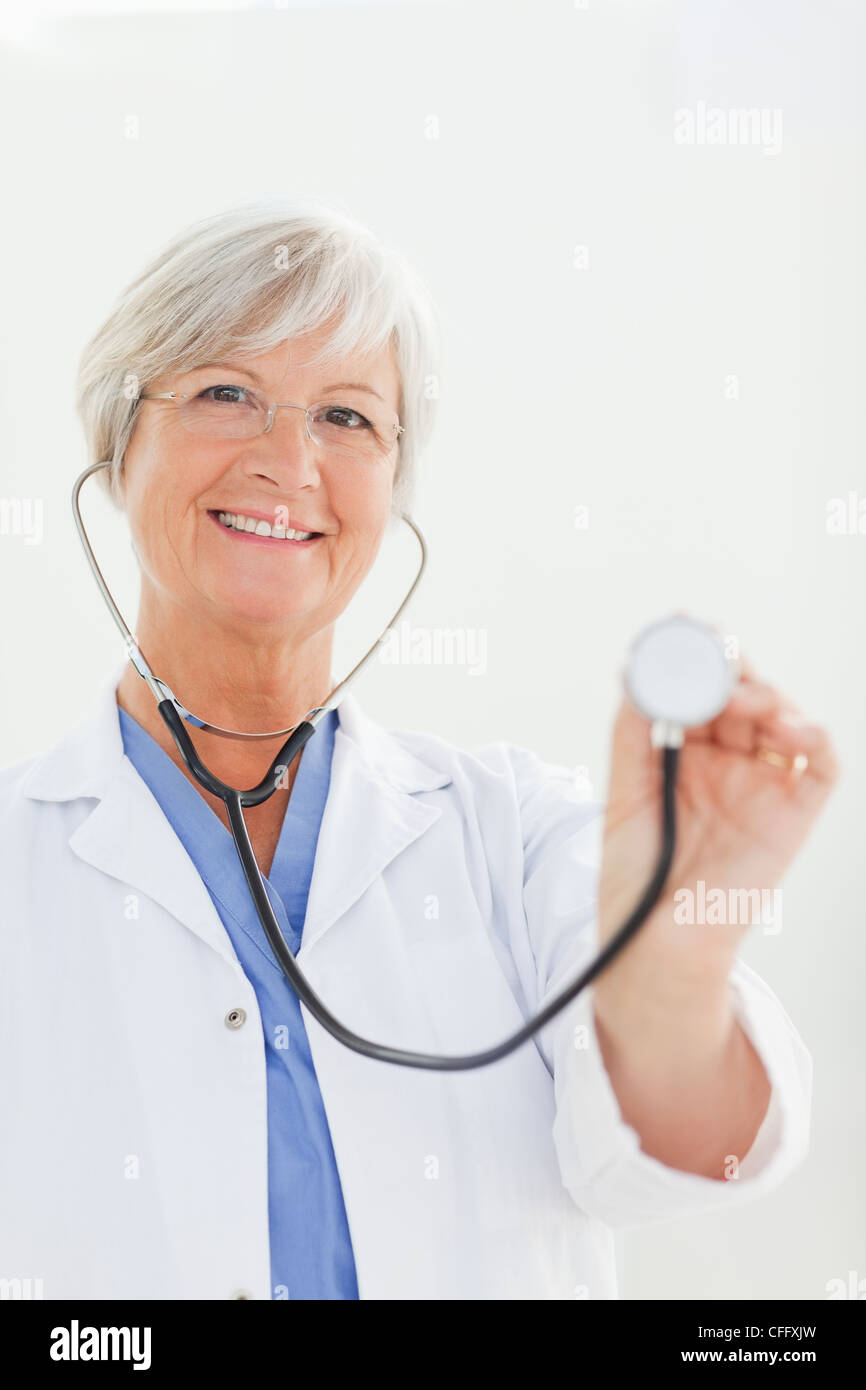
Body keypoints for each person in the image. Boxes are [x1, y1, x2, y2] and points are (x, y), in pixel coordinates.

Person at [0, 197, 837, 1300]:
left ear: (394, 490)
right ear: (118, 440)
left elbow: (679, 1151)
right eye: (224, 392)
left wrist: (672, 951)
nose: (286, 459)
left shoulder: (519, 837)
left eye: (347, 418)